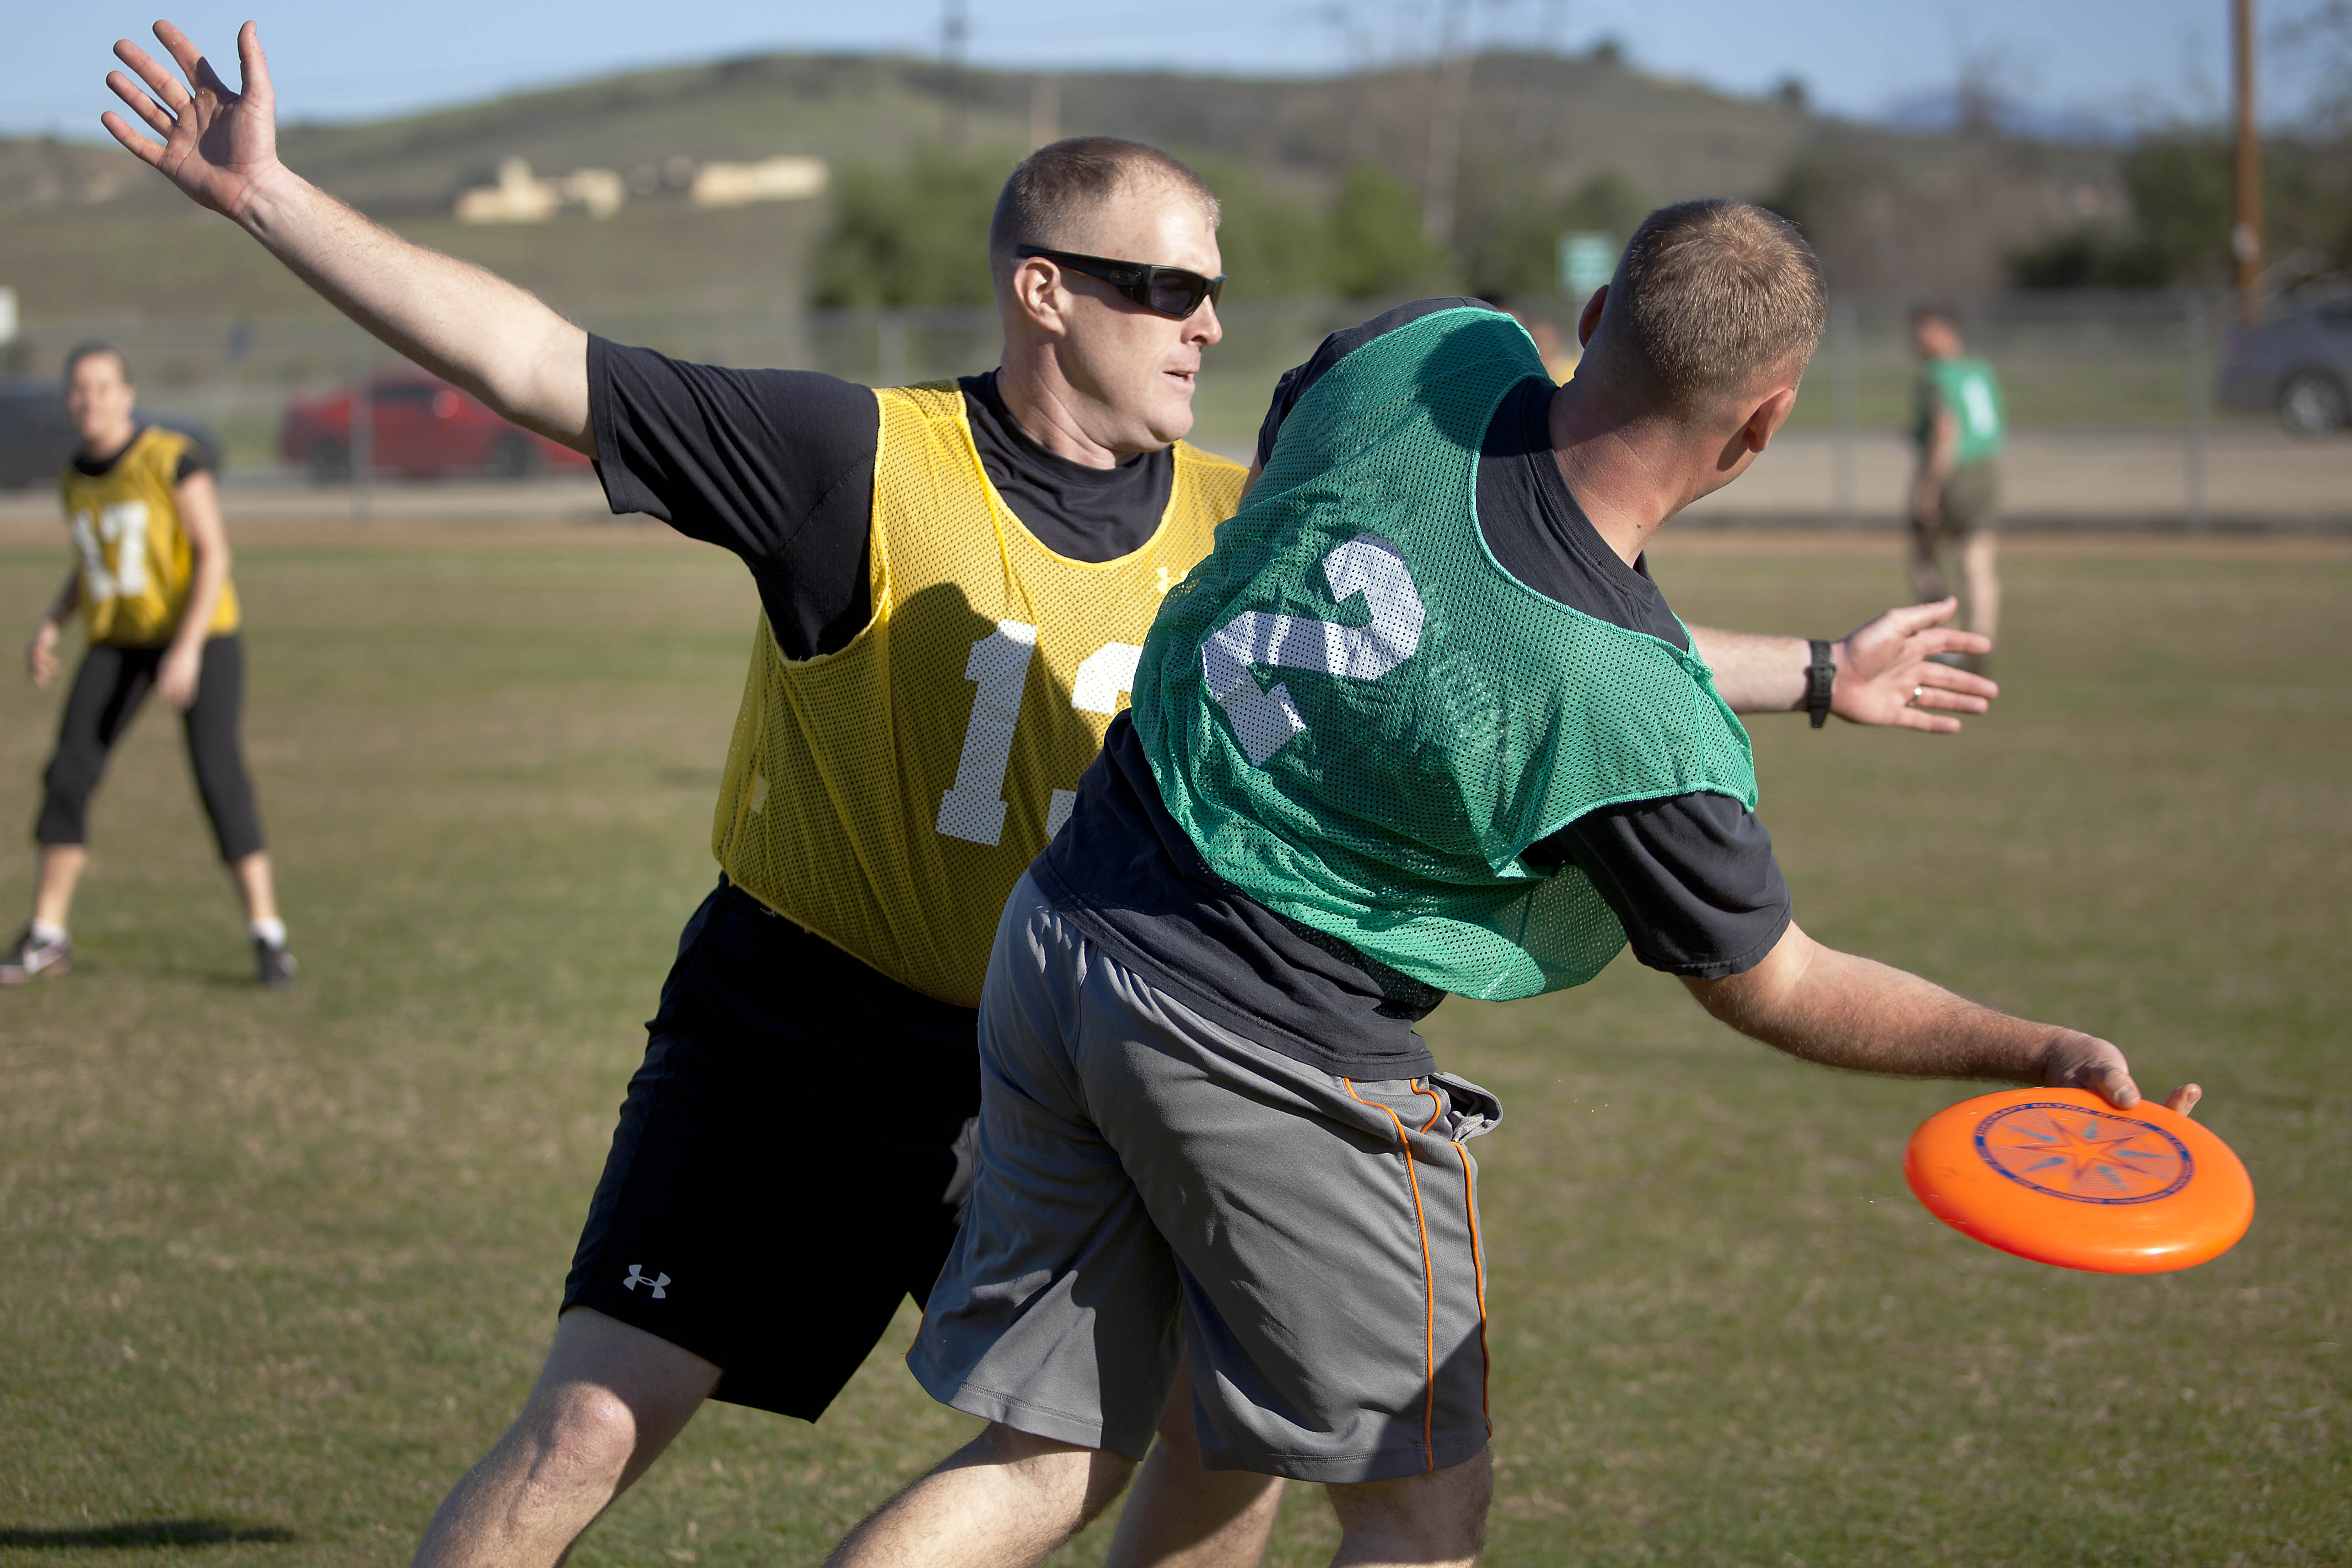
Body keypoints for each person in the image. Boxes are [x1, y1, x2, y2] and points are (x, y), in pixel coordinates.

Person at [103, 26, 1997, 1568]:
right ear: (1041, 288)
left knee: (1170, 1450)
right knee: (596, 1422)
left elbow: (1497, 642)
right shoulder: (852, 455)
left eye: (1214, 294)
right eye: (1161, 286)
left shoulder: (1234, 511)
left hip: (1068, 1027)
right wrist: (269, 193)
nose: (1199, 324)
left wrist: (1817, 673)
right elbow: (532, 358)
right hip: (805, 1021)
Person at [827, 204, 2201, 1568]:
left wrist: (1821, 670)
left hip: (1066, 929)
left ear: (1594, 319)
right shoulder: (1634, 721)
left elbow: (1422, 588)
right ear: (1766, 420)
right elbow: (1775, 978)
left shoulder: (1420, 352)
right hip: (1265, 1038)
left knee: (1056, 1450)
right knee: (1416, 1509)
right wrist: (2036, 1047)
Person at [5, 341, 292, 988]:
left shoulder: (171, 460)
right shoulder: (74, 475)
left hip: (201, 634)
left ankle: (268, 934)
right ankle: (48, 934)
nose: (90, 400)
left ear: (127, 395)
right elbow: (94, 566)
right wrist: (54, 621)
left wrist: (188, 649)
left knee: (218, 775)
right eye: (79, 389)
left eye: (103, 387)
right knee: (70, 770)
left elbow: (214, 556)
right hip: (121, 640)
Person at [1907, 305, 2005, 660]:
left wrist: (1929, 486)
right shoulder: (1980, 371)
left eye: (1922, 331)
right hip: (1988, 467)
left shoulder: (1937, 375)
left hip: (1952, 471)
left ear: (1945, 331)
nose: (1916, 341)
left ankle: (1947, 644)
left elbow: (1946, 428)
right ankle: (1981, 641)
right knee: (1977, 559)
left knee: (1924, 556)